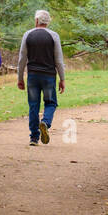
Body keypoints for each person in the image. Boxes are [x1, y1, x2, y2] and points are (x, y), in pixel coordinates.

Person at [17, 9, 65, 147]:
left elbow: (22, 59)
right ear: (48, 22)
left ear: (36, 20)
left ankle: (34, 137)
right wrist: (62, 78)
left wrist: (20, 78)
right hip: (49, 76)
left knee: (33, 105)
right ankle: (45, 122)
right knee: (50, 103)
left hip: (32, 76)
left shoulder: (28, 35)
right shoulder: (54, 36)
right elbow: (59, 60)